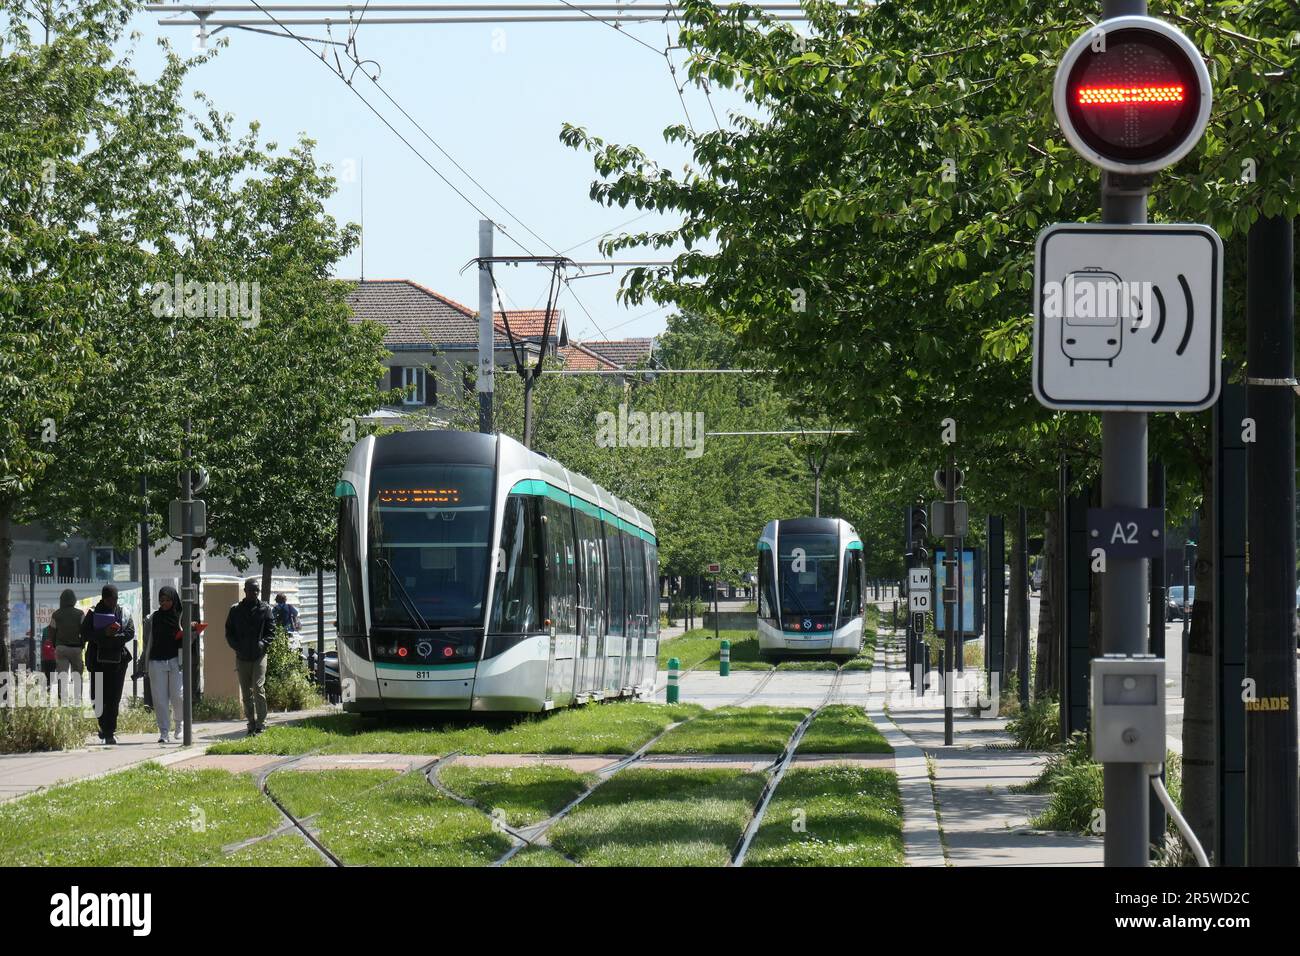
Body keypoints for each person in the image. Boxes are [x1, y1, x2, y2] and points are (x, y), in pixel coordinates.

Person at [80, 584, 134, 745]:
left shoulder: (123, 612)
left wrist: (115, 635)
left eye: (115, 599)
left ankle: (110, 731)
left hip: (117, 662)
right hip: (97, 661)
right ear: (103, 599)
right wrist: (103, 634)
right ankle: (103, 726)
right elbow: (85, 633)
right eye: (110, 599)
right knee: (97, 697)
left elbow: (130, 632)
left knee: (113, 698)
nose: (113, 602)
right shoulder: (92, 613)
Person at [226, 578, 275, 736]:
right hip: (242, 656)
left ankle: (261, 723)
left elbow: (271, 631)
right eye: (251, 590)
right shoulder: (235, 610)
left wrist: (263, 644)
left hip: (259, 656)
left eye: (257, 590)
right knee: (246, 692)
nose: (254, 593)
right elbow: (229, 632)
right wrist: (237, 646)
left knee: (258, 687)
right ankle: (251, 723)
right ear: (245, 591)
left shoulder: (265, 609)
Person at [141, 585, 184, 744]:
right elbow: (147, 641)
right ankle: (164, 732)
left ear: (174, 600)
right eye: (161, 600)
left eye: (167, 600)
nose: (164, 603)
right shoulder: (154, 617)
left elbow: (189, 640)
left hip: (176, 661)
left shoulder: (181, 616)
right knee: (160, 699)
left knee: (178, 696)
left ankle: (179, 725)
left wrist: (190, 632)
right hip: (156, 661)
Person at [50, 588, 85, 697]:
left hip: (61, 649)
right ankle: (78, 699)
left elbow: (52, 632)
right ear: (74, 600)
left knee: (63, 676)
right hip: (76, 649)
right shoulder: (80, 614)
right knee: (77, 675)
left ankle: (63, 699)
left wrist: (56, 645)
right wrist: (82, 644)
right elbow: (84, 631)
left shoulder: (56, 614)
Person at [39, 614, 57, 690]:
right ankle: (49, 687)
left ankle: (45, 687)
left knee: (45, 672)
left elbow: (42, 643)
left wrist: (42, 655)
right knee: (51, 673)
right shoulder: (57, 631)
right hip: (53, 657)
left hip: (45, 657)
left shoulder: (45, 630)